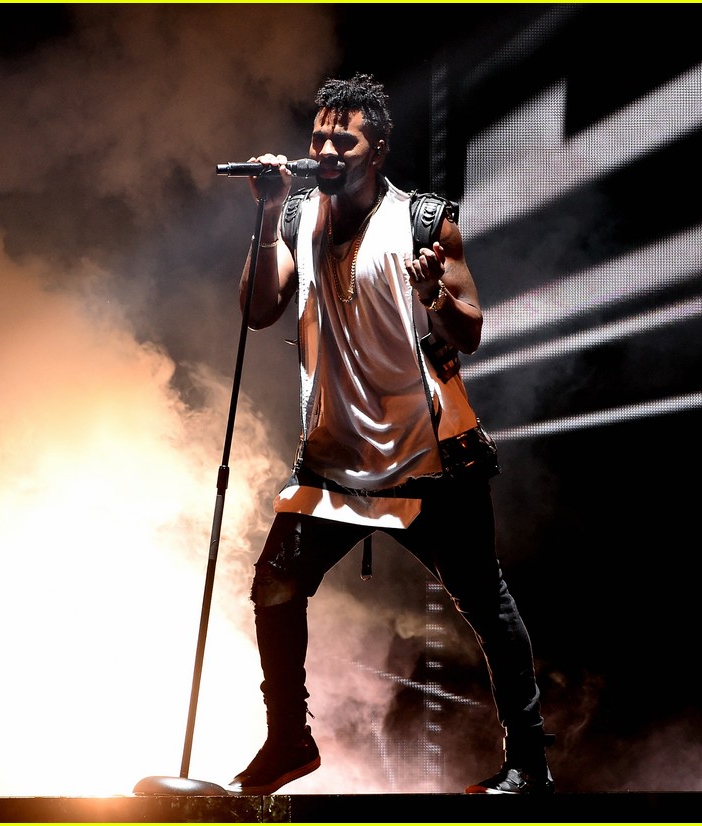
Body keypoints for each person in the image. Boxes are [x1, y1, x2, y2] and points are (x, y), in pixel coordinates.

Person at [227, 73, 552, 796]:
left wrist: (436, 291)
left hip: (429, 457)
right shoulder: (297, 217)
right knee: (275, 587)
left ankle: (529, 764)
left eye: (343, 139)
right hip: (334, 461)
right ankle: (289, 741)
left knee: (488, 607)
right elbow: (258, 310)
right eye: (318, 137)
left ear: (376, 149)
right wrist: (267, 215)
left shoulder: (425, 221)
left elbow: (467, 332)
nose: (325, 149)